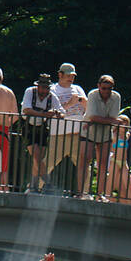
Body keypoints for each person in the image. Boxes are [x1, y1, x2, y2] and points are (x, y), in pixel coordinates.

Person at [47, 63, 86, 193]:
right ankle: (33, 188)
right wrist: (70, 104)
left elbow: (87, 107)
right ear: (60, 74)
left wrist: (83, 101)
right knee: (47, 163)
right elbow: (53, 111)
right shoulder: (52, 90)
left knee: (84, 166)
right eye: (68, 75)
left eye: (72, 75)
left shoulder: (78, 89)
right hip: (58, 134)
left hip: (77, 133)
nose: (71, 78)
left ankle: (85, 193)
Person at [80, 75, 120, 198]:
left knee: (103, 164)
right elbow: (93, 116)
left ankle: (99, 194)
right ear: (99, 86)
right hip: (88, 131)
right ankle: (81, 192)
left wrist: (100, 120)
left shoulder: (116, 97)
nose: (106, 91)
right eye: (104, 88)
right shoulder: (92, 94)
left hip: (105, 133)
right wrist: (107, 120)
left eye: (109, 88)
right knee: (85, 160)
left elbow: (113, 117)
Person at [20, 73, 61, 192]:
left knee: (38, 159)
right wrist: (43, 114)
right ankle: (48, 183)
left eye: (47, 88)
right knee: (37, 156)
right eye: (42, 87)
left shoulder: (52, 97)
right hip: (29, 127)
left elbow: (61, 111)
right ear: (38, 86)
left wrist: (57, 114)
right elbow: (26, 109)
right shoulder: (30, 92)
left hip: (43, 129)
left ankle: (33, 186)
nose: (44, 90)